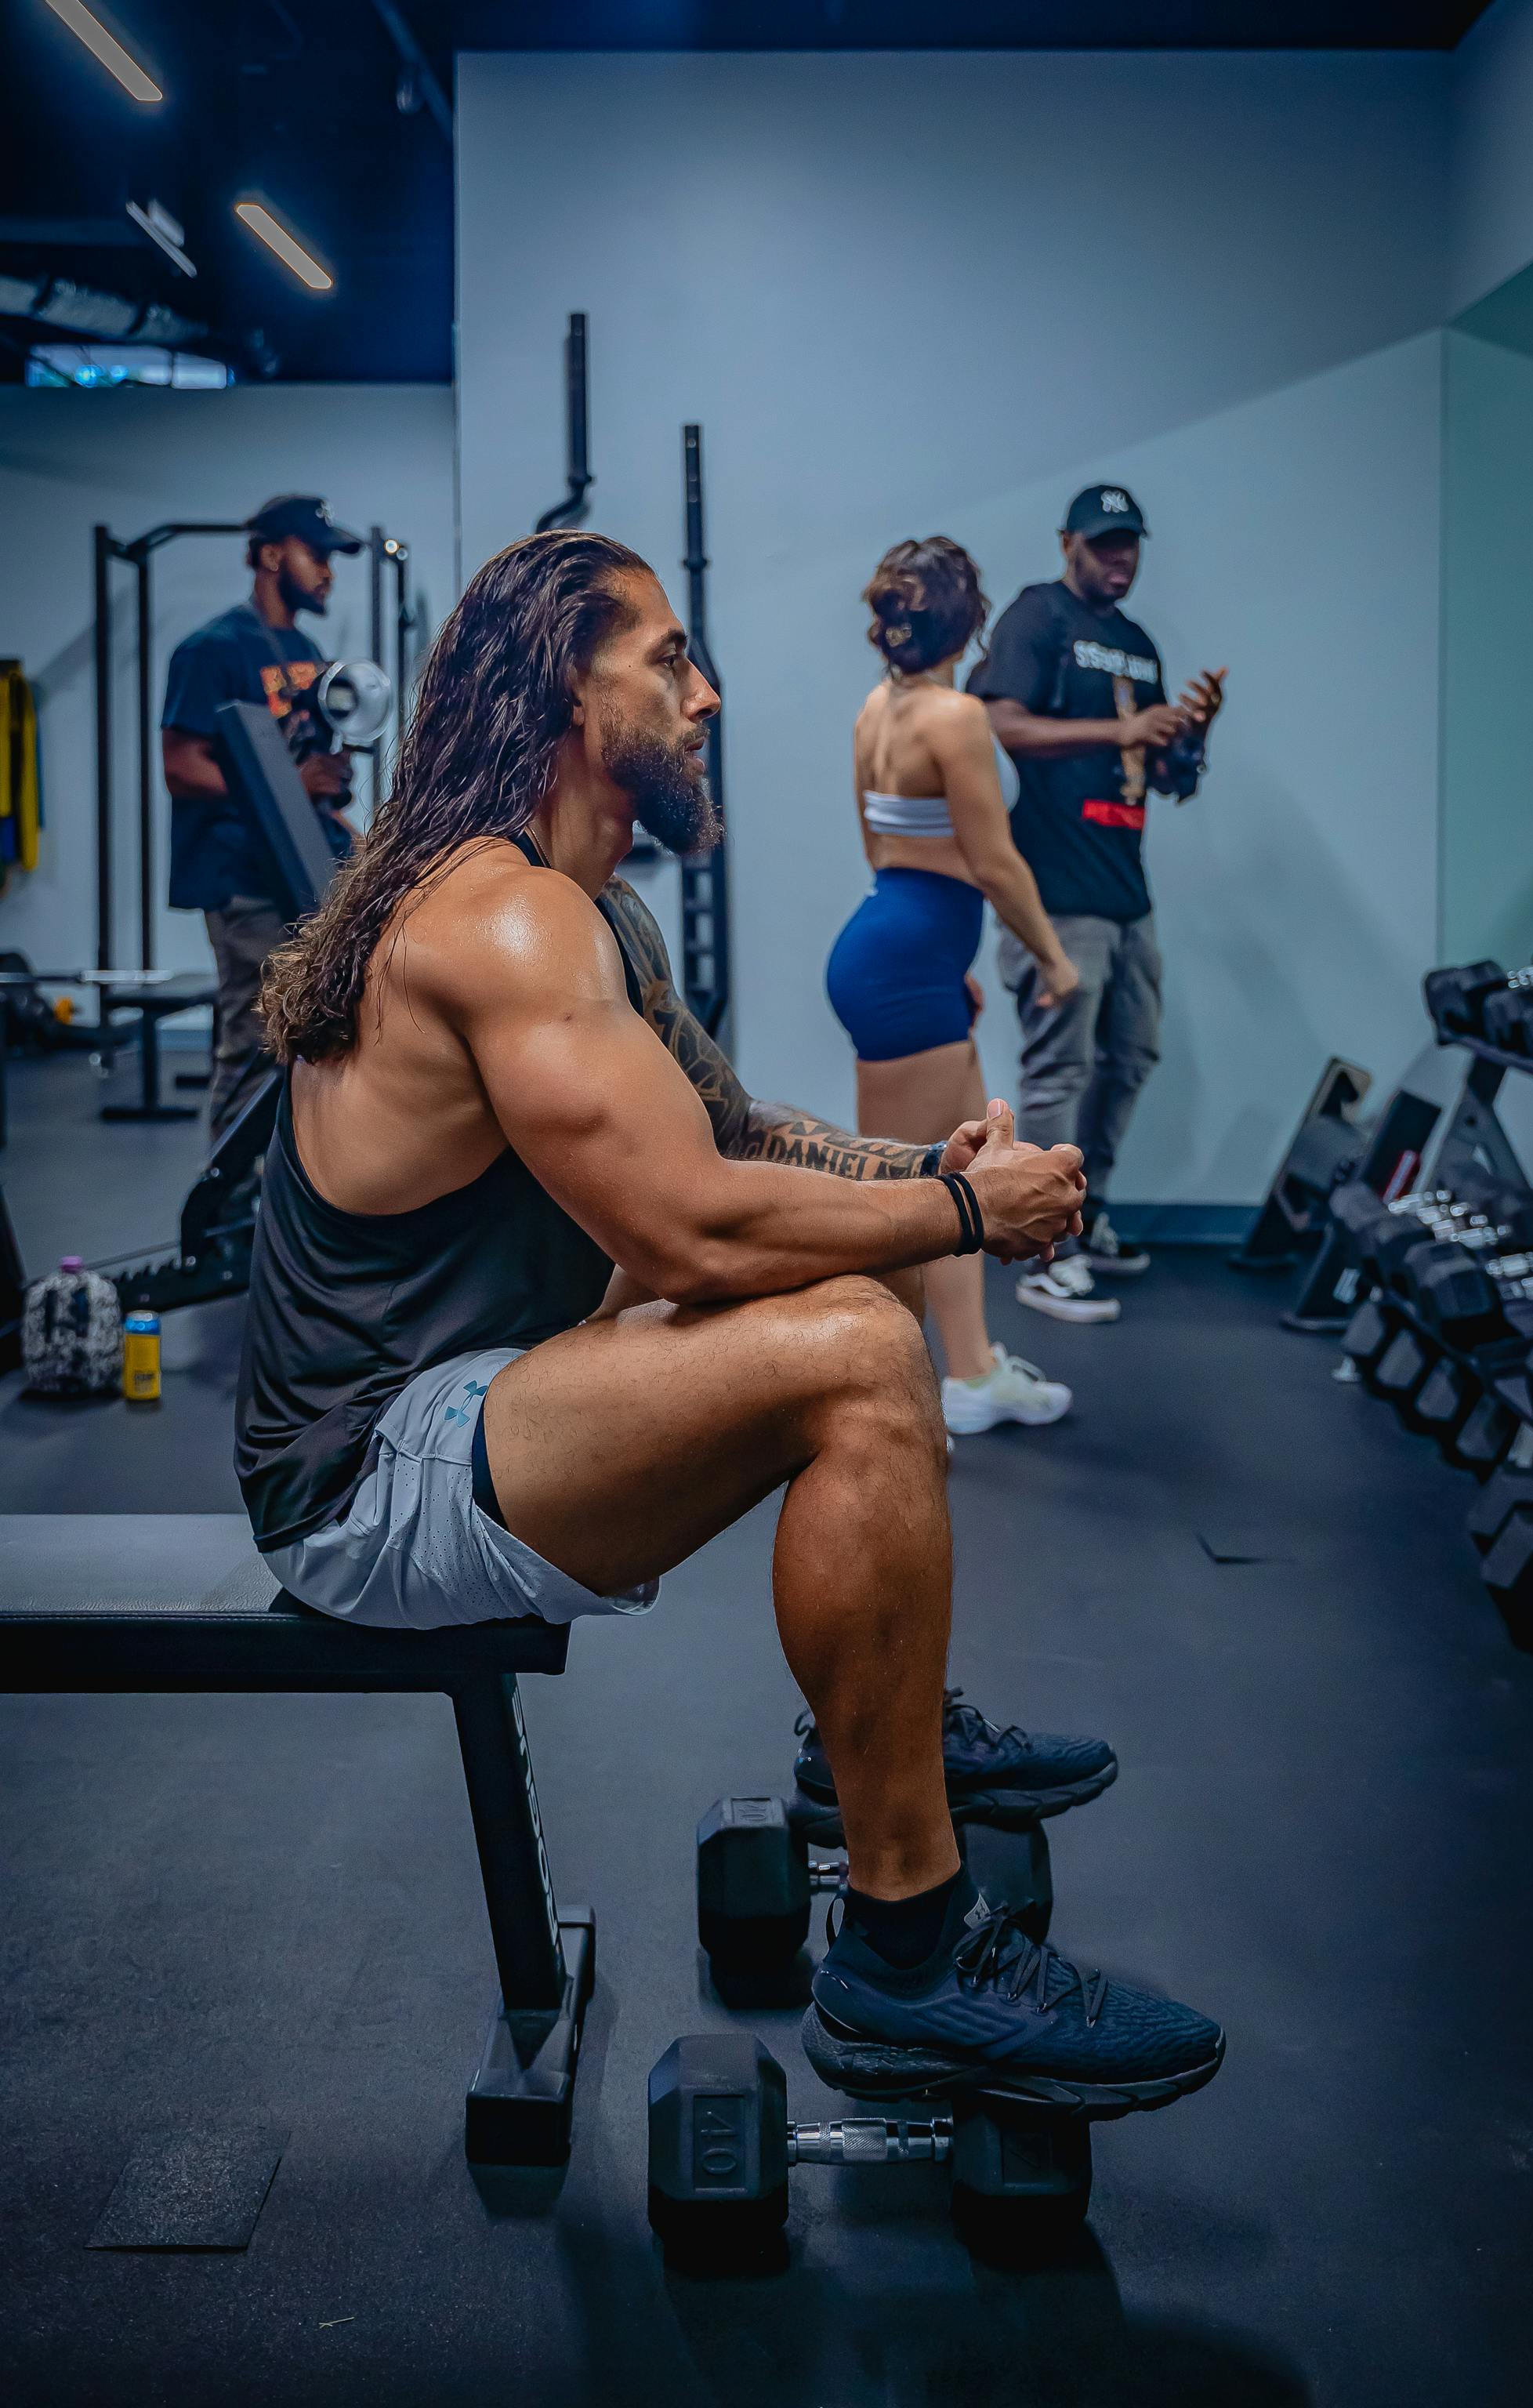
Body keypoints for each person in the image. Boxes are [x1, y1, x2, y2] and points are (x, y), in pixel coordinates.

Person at [238, 529, 1223, 2119]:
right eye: (670, 661)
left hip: (479, 1403)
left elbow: (742, 1138)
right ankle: (907, 1961)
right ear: (570, 688)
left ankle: (875, 1757)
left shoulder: (586, 914)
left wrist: (922, 1168)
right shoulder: (500, 922)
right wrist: (971, 1217)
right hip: (368, 1481)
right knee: (849, 1343)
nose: (710, 695)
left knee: (847, 1284)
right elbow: (684, 1227)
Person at [826, 537, 1104, 1444]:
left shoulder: (879, 707)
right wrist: (1055, 965)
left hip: (897, 946)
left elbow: (885, 852)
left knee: (958, 1180)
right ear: (966, 623)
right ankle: (886, 1396)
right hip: (904, 965)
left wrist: (948, 964)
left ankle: (974, 1373)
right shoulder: (954, 716)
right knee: (914, 1193)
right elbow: (992, 862)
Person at [969, 484, 1226, 1318]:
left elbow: (1166, 780)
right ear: (1067, 544)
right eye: (1103, 545)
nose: (1119, 561)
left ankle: (1086, 1211)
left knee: (1131, 1057)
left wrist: (1188, 736)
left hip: (1126, 894)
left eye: (1130, 547)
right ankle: (1044, 1252)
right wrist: (1121, 730)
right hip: (1054, 890)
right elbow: (995, 722)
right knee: (1059, 1071)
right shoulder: (1037, 617)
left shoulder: (1138, 645)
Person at [161, 494, 364, 1137]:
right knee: (256, 1043)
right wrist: (288, 784)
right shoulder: (213, 650)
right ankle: (219, 1220)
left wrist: (327, 781)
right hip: (240, 876)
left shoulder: (303, 647)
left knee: (314, 1034)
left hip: (298, 868)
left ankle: (278, 1205)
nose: (329, 571)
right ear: (273, 554)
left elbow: (303, 756)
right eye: (318, 555)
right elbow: (181, 766)